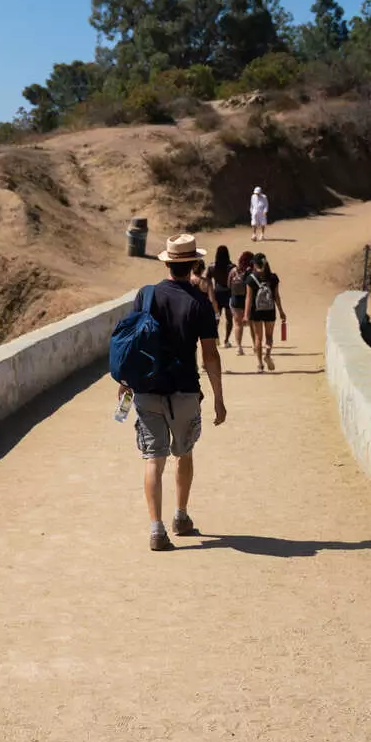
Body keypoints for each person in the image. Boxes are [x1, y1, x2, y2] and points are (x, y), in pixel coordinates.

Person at [117, 234, 226, 551]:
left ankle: (156, 530)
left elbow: (133, 343)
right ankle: (180, 516)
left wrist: (125, 382)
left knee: (153, 459)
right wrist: (218, 397)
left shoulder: (146, 295)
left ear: (166, 262)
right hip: (185, 390)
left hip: (147, 389)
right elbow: (209, 355)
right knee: (185, 452)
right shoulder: (199, 303)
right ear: (193, 264)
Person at [245, 252, 288, 372]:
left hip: (256, 311)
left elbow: (248, 298)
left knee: (258, 338)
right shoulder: (273, 278)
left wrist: (246, 315)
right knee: (269, 337)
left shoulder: (251, 278)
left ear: (254, 264)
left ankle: (259, 364)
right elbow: (276, 297)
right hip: (270, 310)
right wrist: (281, 311)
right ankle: (268, 355)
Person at [227, 250, 253, 358]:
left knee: (237, 324)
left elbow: (228, 284)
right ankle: (255, 345)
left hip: (235, 300)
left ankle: (239, 347)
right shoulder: (251, 272)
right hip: (248, 299)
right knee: (252, 324)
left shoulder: (233, 271)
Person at [209, 245, 234, 347]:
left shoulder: (212, 267)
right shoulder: (232, 267)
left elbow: (206, 279)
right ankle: (226, 340)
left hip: (217, 294)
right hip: (228, 294)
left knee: (216, 318)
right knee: (229, 319)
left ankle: (215, 338)